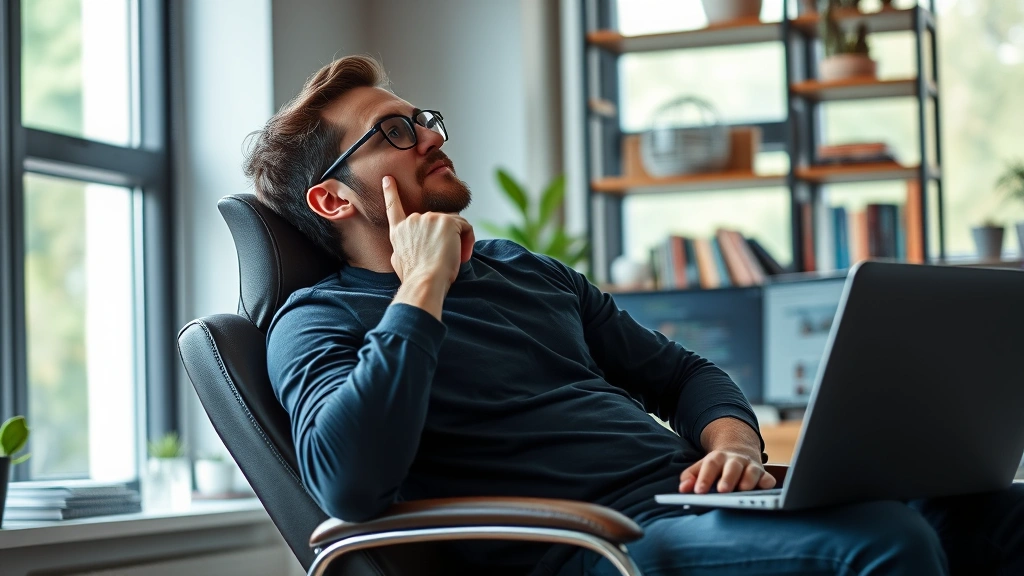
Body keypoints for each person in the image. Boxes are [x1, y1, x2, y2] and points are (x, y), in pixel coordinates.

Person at [243, 55, 1024, 576]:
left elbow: (683, 374)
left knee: (1001, 515)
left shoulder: (524, 269)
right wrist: (421, 288)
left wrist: (734, 444)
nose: (432, 136)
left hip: (694, 503)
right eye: (395, 132)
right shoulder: (314, 321)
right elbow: (347, 482)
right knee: (888, 544)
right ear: (332, 198)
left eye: (425, 119)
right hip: (597, 542)